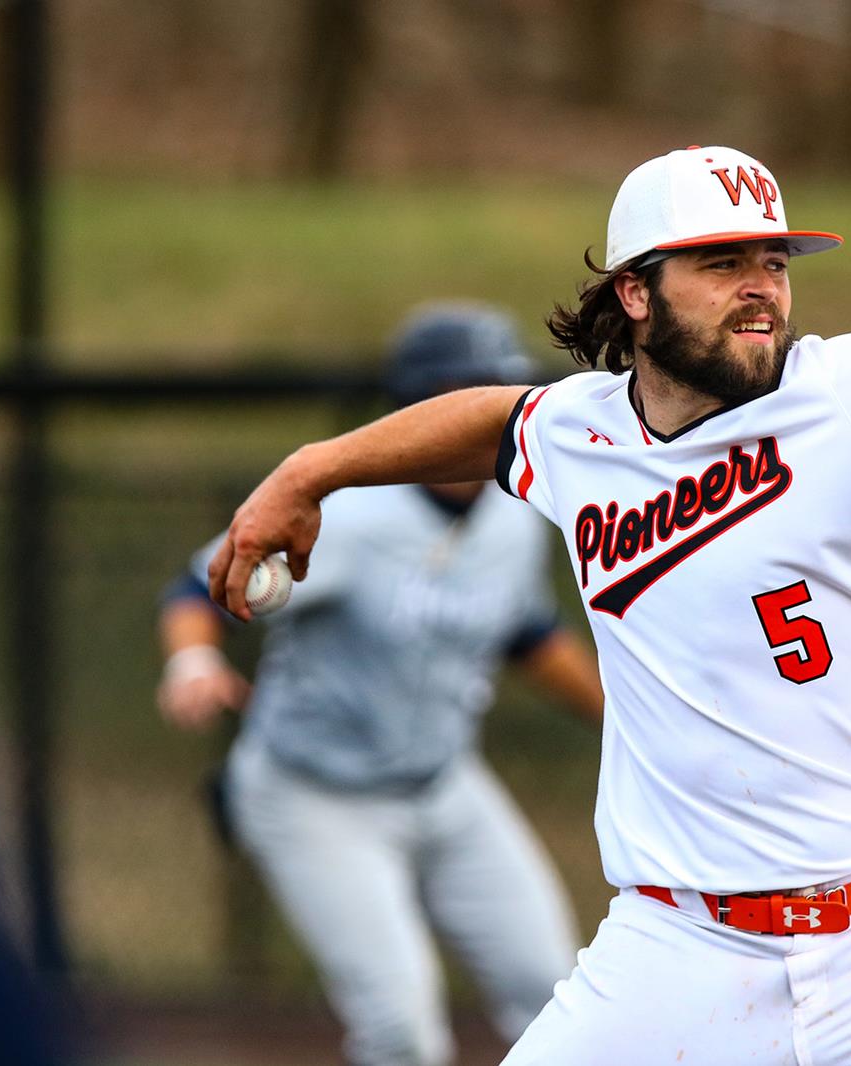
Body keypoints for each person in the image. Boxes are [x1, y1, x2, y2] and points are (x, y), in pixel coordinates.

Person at [208, 146, 851, 1064]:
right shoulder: (577, 434)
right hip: (684, 950)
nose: (762, 291)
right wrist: (312, 470)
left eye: (775, 263)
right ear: (636, 293)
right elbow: (490, 420)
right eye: (723, 263)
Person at [157, 303, 604, 1066]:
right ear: (416, 406)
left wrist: (627, 714)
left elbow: (528, 636)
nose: (485, 409)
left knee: (559, 995)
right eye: (467, 391)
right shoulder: (351, 518)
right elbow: (198, 590)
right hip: (316, 796)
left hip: (442, 785)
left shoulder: (516, 515)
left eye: (501, 390)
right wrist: (192, 660)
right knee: (402, 1033)